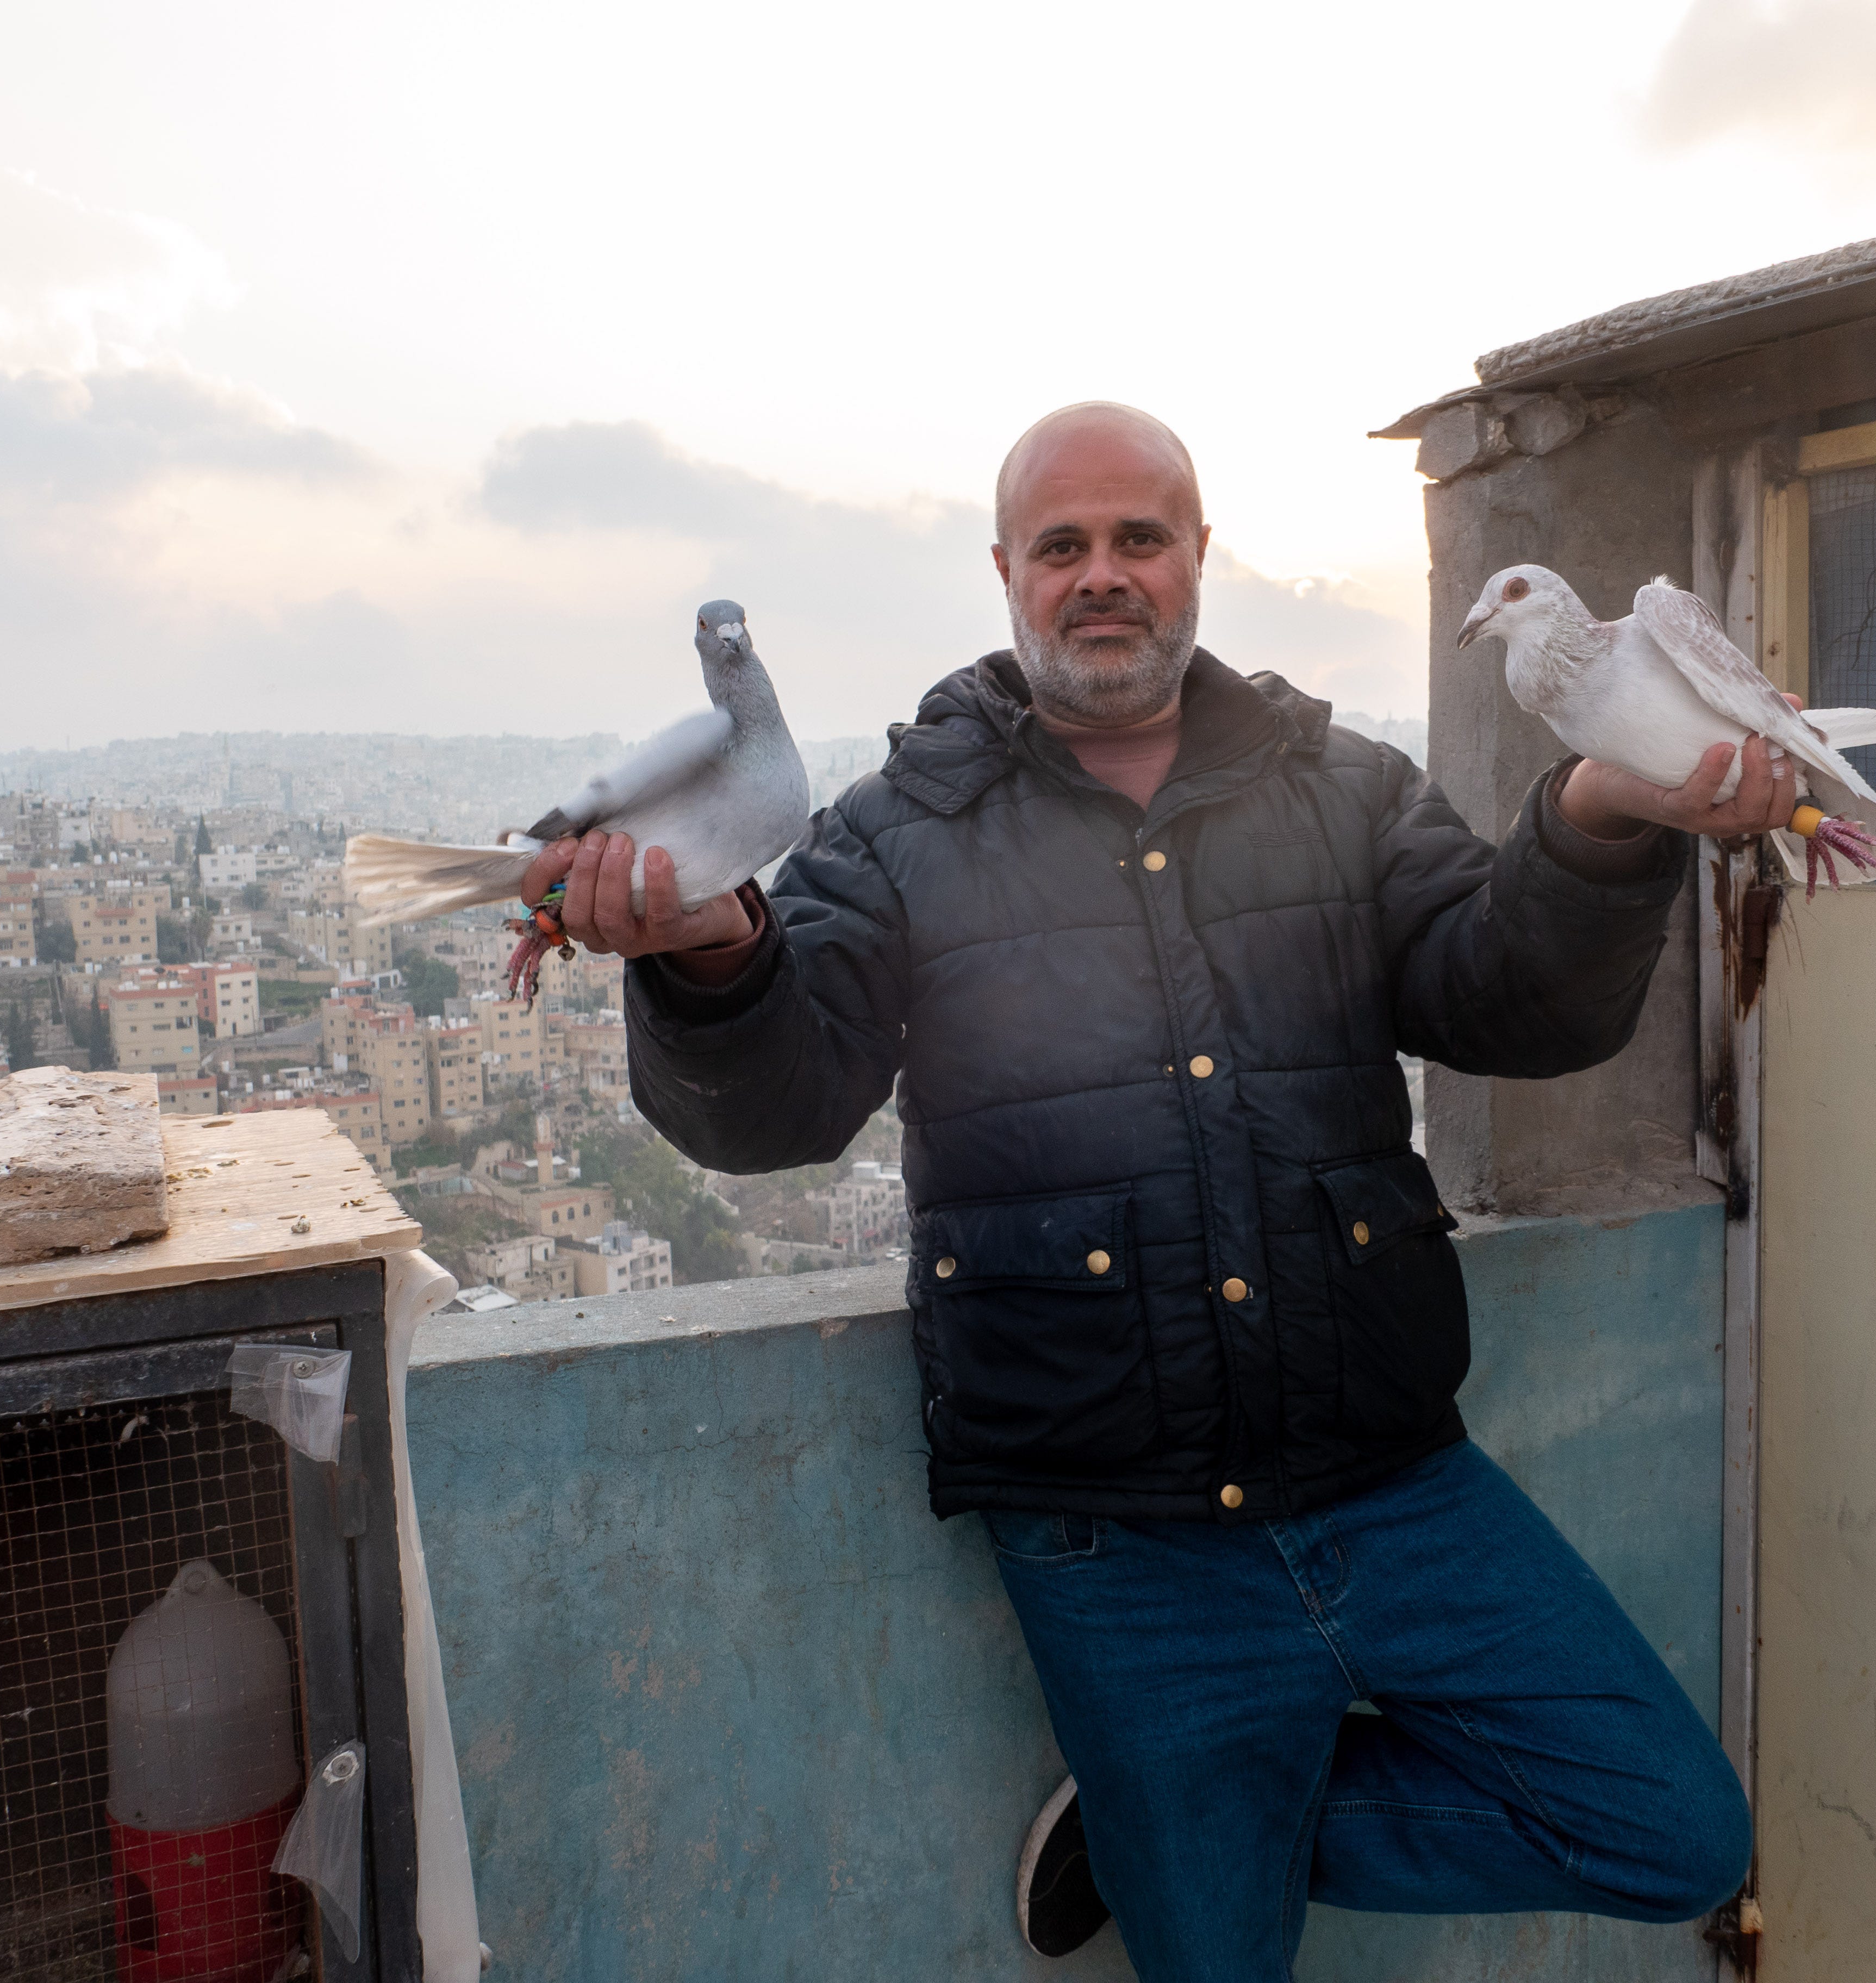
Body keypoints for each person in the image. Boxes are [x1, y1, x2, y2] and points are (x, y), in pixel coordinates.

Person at [514, 403, 1763, 1980]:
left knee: (1673, 1834)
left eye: (1138, 540)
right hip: (1116, 1541)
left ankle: (1155, 1821)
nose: (1102, 576)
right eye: (1063, 547)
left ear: (1195, 560)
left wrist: (1599, 817)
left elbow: (1509, 1000)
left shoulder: (1346, 788)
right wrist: (711, 954)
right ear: (1008, 576)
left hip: (1395, 1485)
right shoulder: (899, 833)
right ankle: (1176, 1829)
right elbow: (782, 1105)